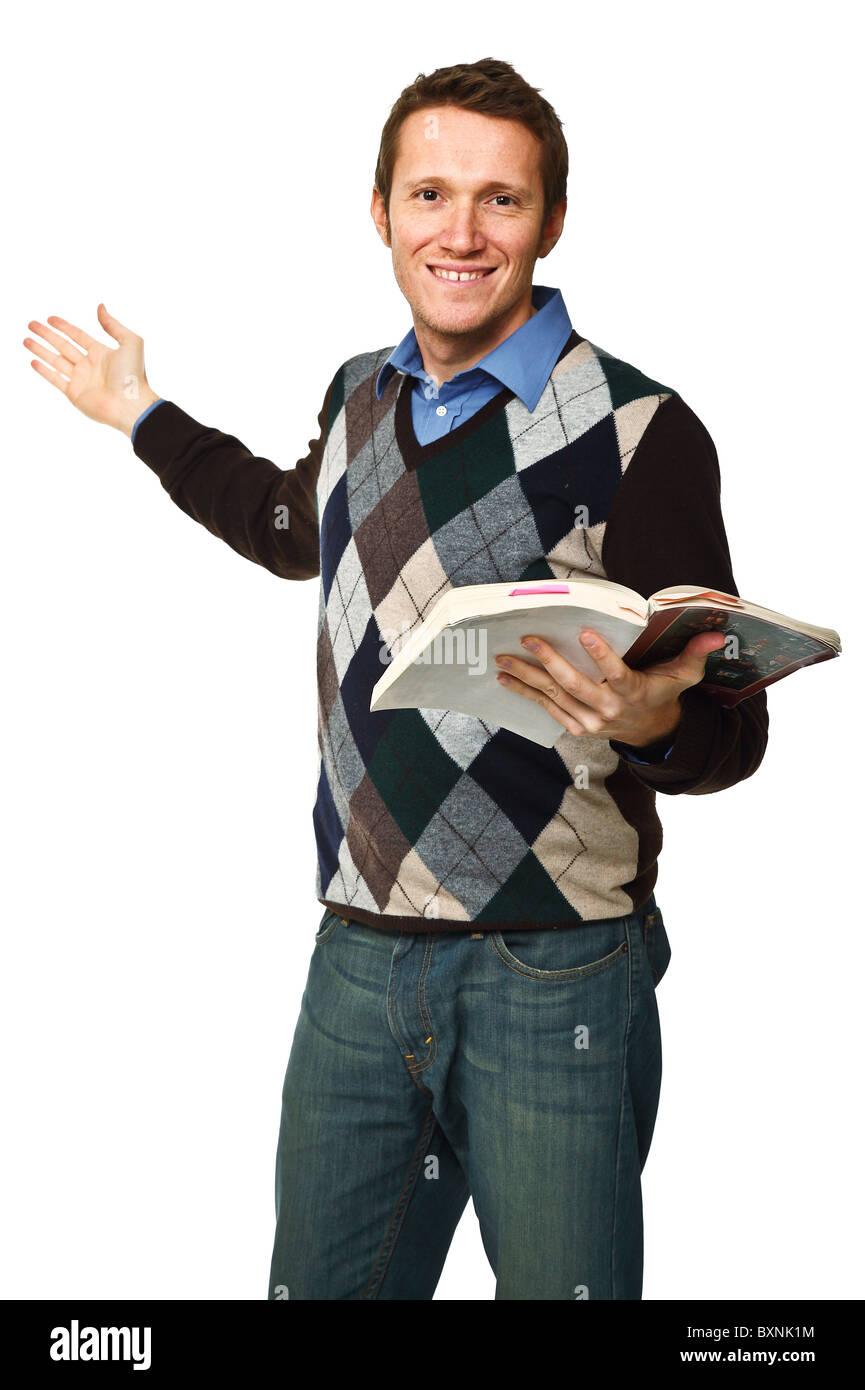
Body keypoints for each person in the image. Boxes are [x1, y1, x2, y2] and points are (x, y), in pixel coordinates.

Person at [23, 57, 768, 1301]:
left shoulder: (640, 429)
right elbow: (282, 522)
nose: (460, 233)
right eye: (428, 195)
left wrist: (656, 721)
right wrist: (140, 412)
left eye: (500, 201)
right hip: (358, 963)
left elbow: (727, 733)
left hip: (557, 966)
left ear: (552, 220)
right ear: (381, 214)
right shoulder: (358, 396)